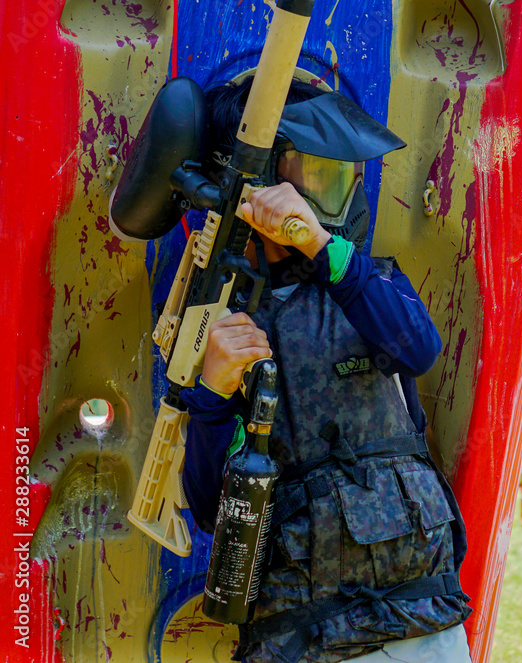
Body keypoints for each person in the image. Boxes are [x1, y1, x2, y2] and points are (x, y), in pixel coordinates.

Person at [178, 78, 473, 663]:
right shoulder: (220, 325)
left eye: (343, 179)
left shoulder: (366, 283)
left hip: (420, 617)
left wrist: (321, 247)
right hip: (304, 639)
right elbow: (215, 509)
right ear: (258, 190)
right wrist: (212, 394)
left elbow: (418, 349)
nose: (336, 197)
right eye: (319, 178)